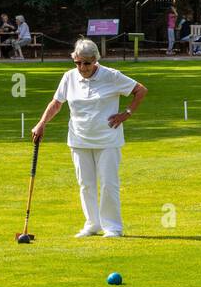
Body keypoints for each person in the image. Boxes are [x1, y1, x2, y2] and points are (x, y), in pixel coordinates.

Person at [31, 38, 148, 238]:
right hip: (78, 138)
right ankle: (92, 224)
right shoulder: (69, 77)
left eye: (86, 63)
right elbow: (57, 103)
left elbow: (140, 90)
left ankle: (112, 227)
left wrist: (125, 114)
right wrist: (42, 123)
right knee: (85, 184)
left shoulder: (111, 76)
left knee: (108, 183)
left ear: (95, 60)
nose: (82, 67)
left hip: (107, 139)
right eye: (78, 62)